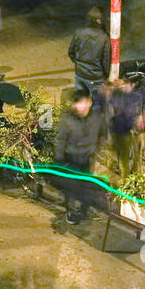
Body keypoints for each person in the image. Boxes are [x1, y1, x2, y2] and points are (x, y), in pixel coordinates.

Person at [54, 90, 104, 227]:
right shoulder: (67, 120)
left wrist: (96, 149)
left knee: (85, 185)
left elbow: (102, 134)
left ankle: (84, 209)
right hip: (71, 159)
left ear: (90, 102)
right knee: (71, 187)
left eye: (84, 102)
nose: (81, 106)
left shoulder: (96, 118)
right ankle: (71, 211)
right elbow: (60, 140)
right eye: (78, 103)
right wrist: (59, 160)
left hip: (87, 157)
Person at [105, 74, 144, 185]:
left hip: (133, 130)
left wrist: (140, 130)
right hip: (121, 130)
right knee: (123, 156)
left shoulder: (137, 96)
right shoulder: (116, 95)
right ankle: (125, 177)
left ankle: (135, 175)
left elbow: (139, 113)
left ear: (132, 85)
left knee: (136, 155)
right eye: (123, 84)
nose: (124, 87)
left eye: (126, 84)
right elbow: (111, 113)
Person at [67, 8, 110, 98]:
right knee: (97, 104)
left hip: (80, 73)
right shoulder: (104, 38)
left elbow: (71, 53)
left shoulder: (79, 32)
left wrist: (79, 64)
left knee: (81, 102)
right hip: (96, 77)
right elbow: (106, 62)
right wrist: (105, 76)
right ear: (100, 21)